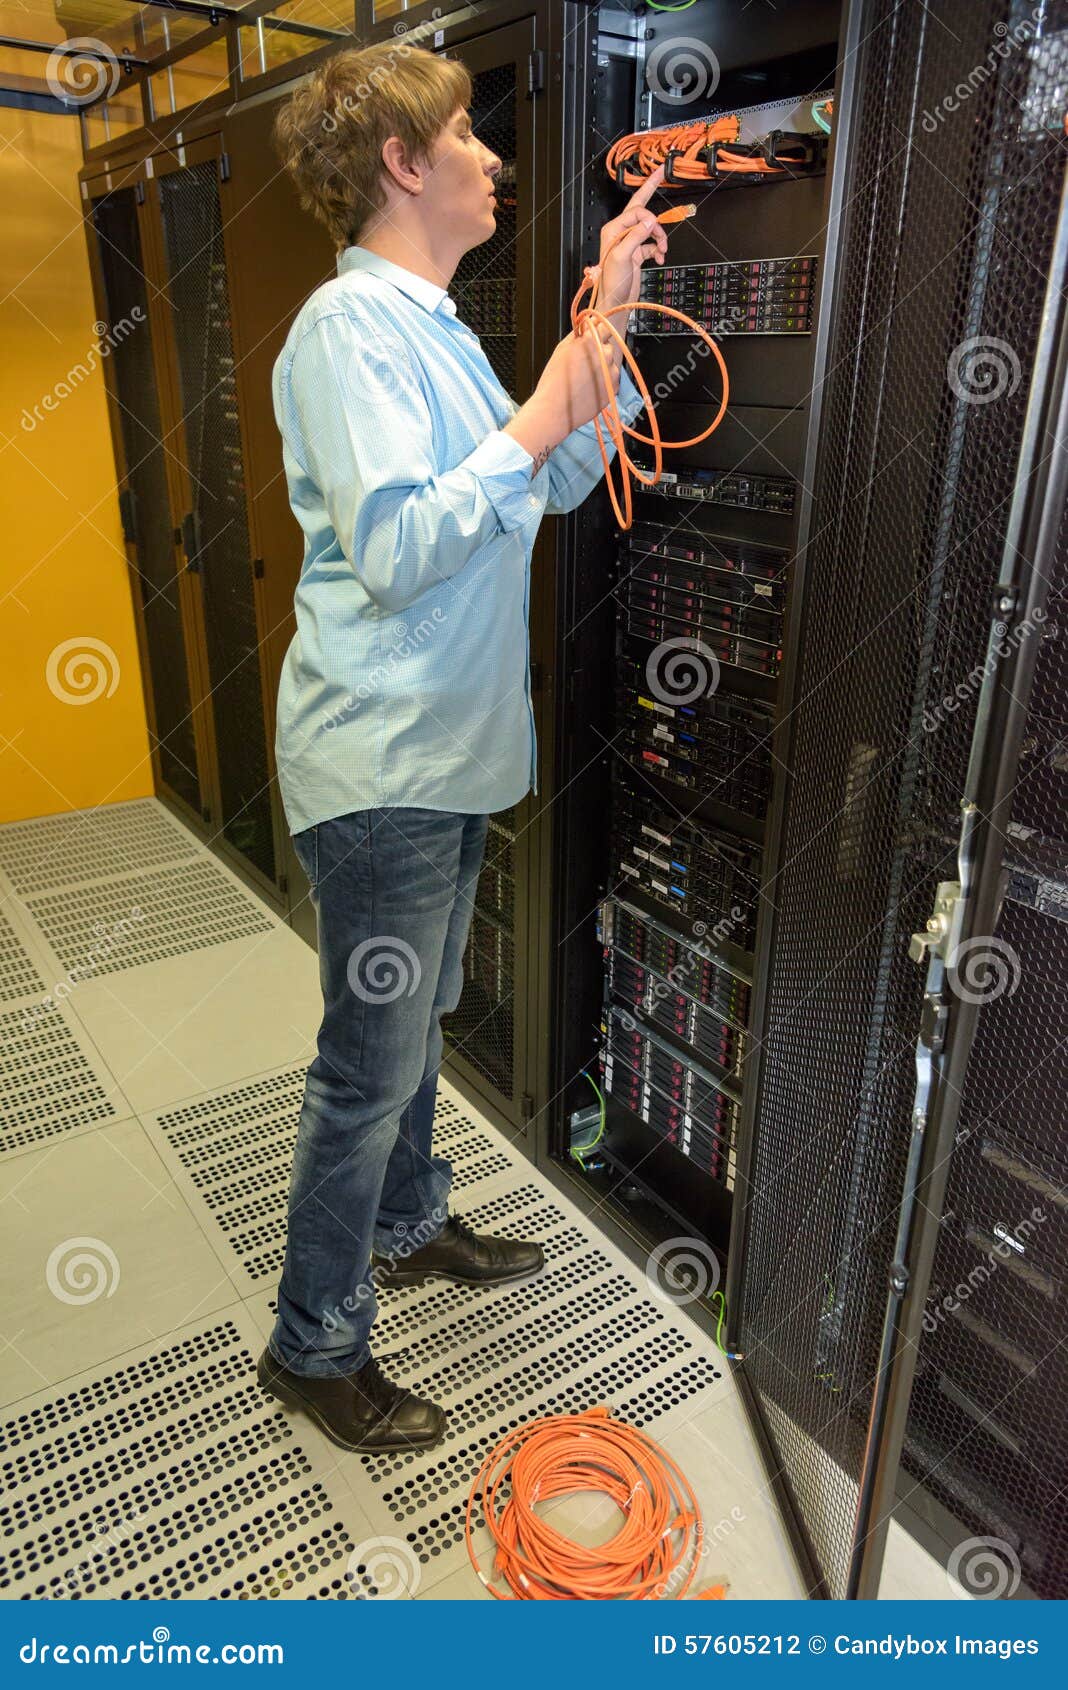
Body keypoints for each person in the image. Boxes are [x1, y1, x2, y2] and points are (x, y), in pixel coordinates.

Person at [257, 40, 668, 1453]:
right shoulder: (344, 332)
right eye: (470, 135)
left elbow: (543, 480)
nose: (495, 158)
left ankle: (407, 1220)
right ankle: (313, 1343)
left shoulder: (431, 328)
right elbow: (397, 547)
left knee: (417, 1020)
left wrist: (600, 331)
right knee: (368, 1062)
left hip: (447, 753)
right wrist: (545, 407)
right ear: (402, 161)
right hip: (379, 766)